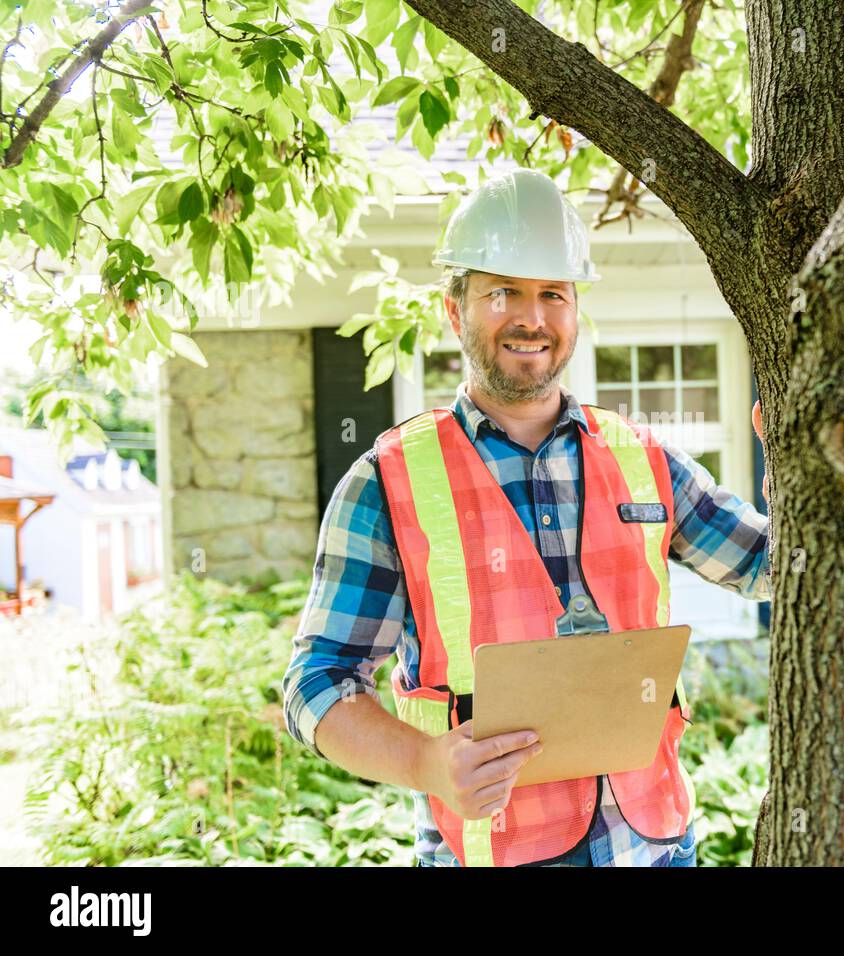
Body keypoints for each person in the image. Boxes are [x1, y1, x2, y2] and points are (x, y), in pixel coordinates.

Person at [282, 168, 772, 867]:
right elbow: (316, 684)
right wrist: (426, 762)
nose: (531, 318)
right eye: (501, 293)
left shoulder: (642, 457)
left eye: (552, 294)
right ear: (456, 312)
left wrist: (797, 466)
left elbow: (768, 565)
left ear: (575, 312)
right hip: (488, 852)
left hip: (654, 847)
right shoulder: (386, 483)